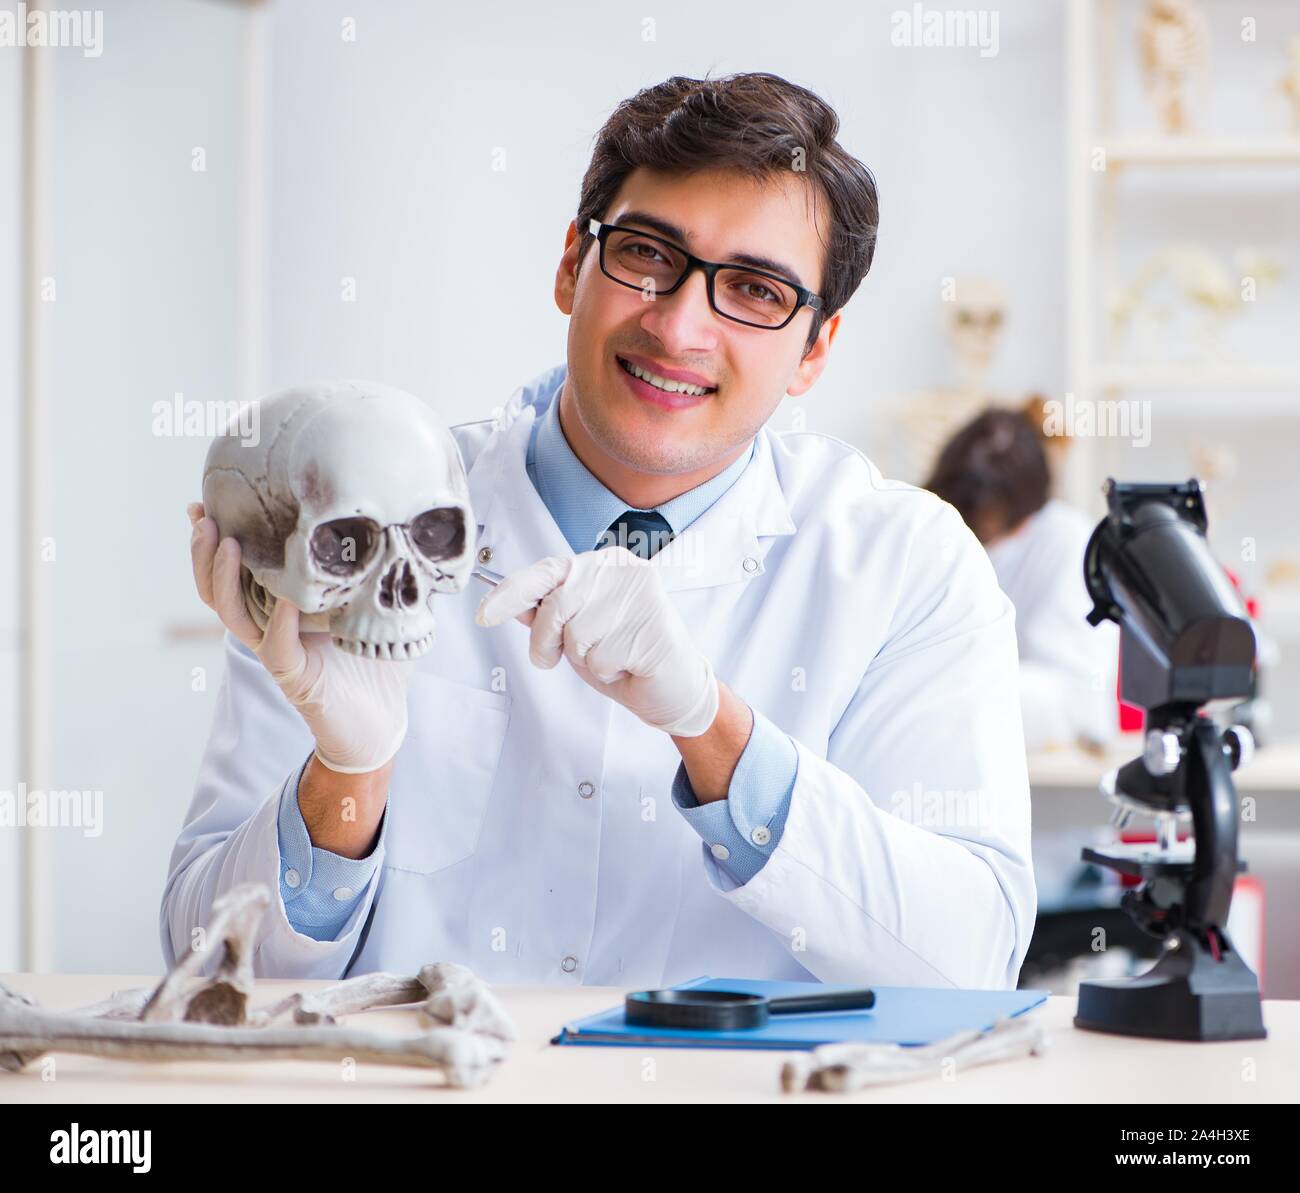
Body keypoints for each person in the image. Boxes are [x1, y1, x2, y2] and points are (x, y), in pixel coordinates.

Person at [166, 72, 1035, 991]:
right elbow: (202, 968)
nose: (680, 324)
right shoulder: (364, 514)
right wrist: (347, 772)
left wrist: (715, 729)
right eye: (649, 254)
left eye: (754, 289)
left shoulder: (907, 565)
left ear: (814, 348)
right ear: (571, 263)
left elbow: (967, 962)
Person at [925, 407, 1119, 753]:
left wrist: (940, 686)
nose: (978, 533)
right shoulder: (935, 533)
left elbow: (1074, 702)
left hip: (1047, 771)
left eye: (986, 525)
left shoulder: (1068, 543)